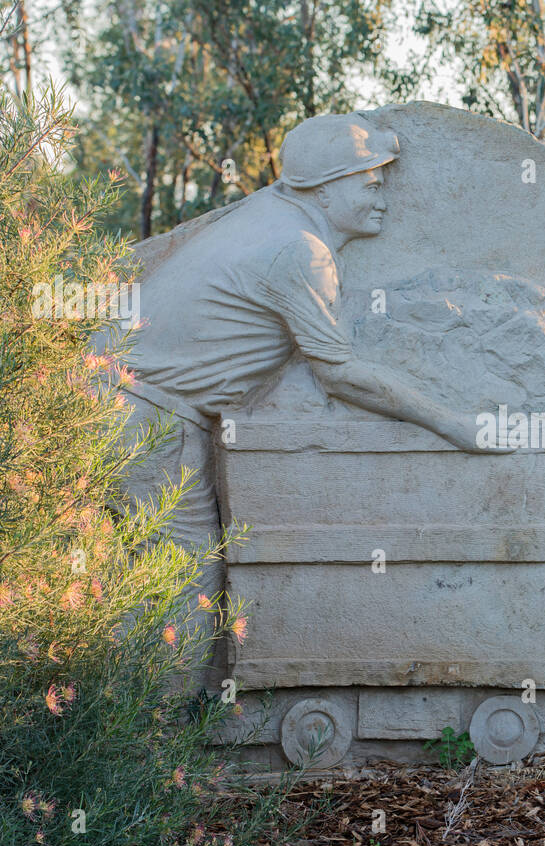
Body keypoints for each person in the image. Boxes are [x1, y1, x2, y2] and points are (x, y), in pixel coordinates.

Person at [96, 113, 503, 677]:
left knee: (132, 575)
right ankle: (153, 740)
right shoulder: (300, 250)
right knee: (186, 576)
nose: (383, 193)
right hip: (140, 415)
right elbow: (339, 373)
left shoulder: (268, 212)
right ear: (324, 187)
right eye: (369, 181)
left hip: (115, 399)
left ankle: (115, 721)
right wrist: (452, 423)